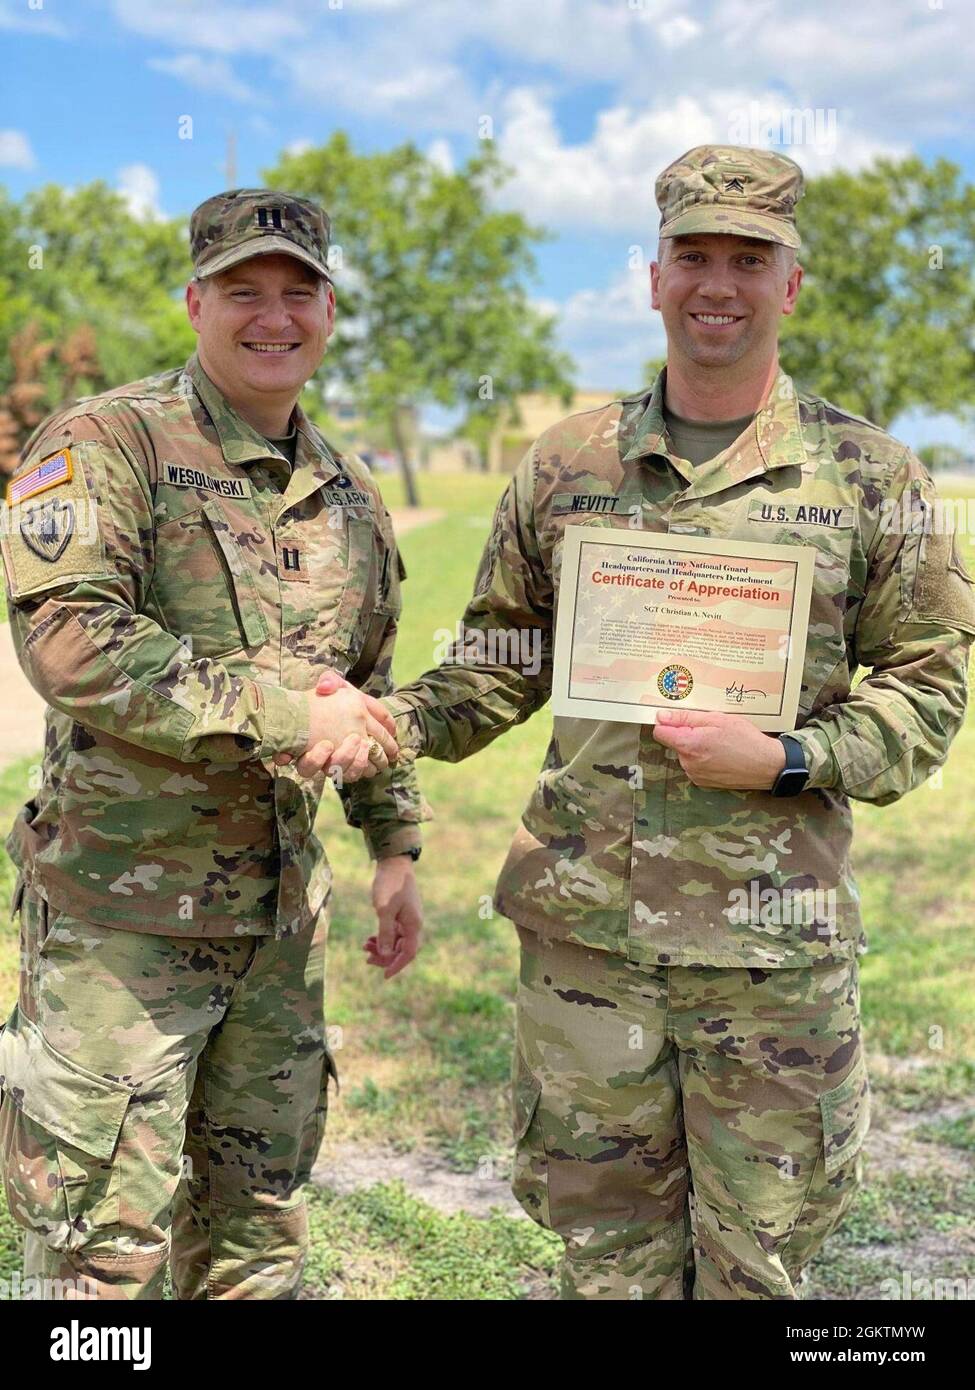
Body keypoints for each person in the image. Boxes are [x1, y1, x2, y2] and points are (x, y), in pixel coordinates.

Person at [323, 146, 975, 1299]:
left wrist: (791, 757)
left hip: (769, 944)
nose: (718, 282)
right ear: (655, 274)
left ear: (792, 285)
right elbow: (500, 658)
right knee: (605, 1262)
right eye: (694, 255)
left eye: (749, 258)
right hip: (590, 944)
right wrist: (390, 720)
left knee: (757, 1264)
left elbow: (931, 684)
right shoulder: (569, 463)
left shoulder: (872, 474)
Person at [0, 187, 426, 1300]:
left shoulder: (353, 500)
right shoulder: (109, 441)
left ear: (330, 313)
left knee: (257, 1231)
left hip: (279, 937)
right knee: (104, 1250)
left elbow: (366, 685)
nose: (272, 316)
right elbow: (74, 643)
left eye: (298, 292)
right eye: (244, 291)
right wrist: (292, 716)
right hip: (120, 934)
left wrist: (396, 849)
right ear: (195, 301)